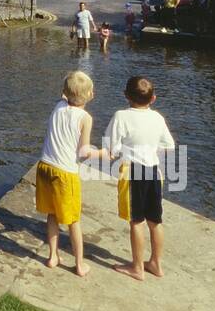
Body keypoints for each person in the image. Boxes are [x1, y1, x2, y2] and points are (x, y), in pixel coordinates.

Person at [104, 76, 176, 282]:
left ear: (126, 95)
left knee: (136, 221)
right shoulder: (158, 118)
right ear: (153, 98)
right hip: (153, 170)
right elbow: (169, 145)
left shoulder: (121, 116)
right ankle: (156, 263)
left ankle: (137, 267)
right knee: (155, 220)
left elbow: (112, 147)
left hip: (133, 171)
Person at [35, 71, 103, 276]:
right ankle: (80, 264)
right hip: (65, 172)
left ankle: (53, 256)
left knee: (52, 213)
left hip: (45, 166)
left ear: (64, 93)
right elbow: (83, 151)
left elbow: (65, 94)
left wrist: (68, 87)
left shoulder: (58, 106)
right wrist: (102, 153)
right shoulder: (85, 118)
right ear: (91, 95)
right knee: (73, 220)